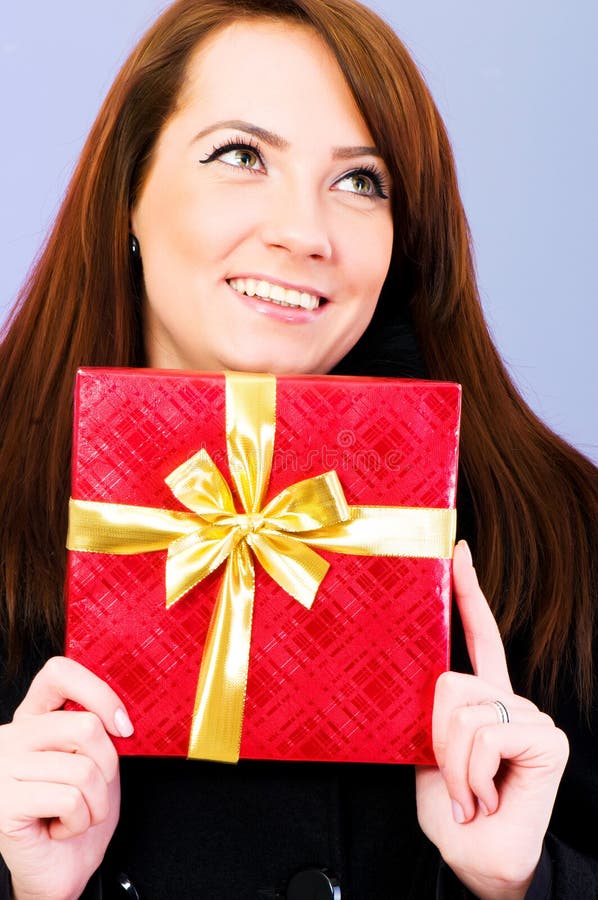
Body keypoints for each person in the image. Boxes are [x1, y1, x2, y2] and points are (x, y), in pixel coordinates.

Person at [0, 0, 596, 897]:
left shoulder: (564, 532)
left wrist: (520, 886)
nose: (304, 234)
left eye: (361, 181)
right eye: (241, 157)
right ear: (129, 189)